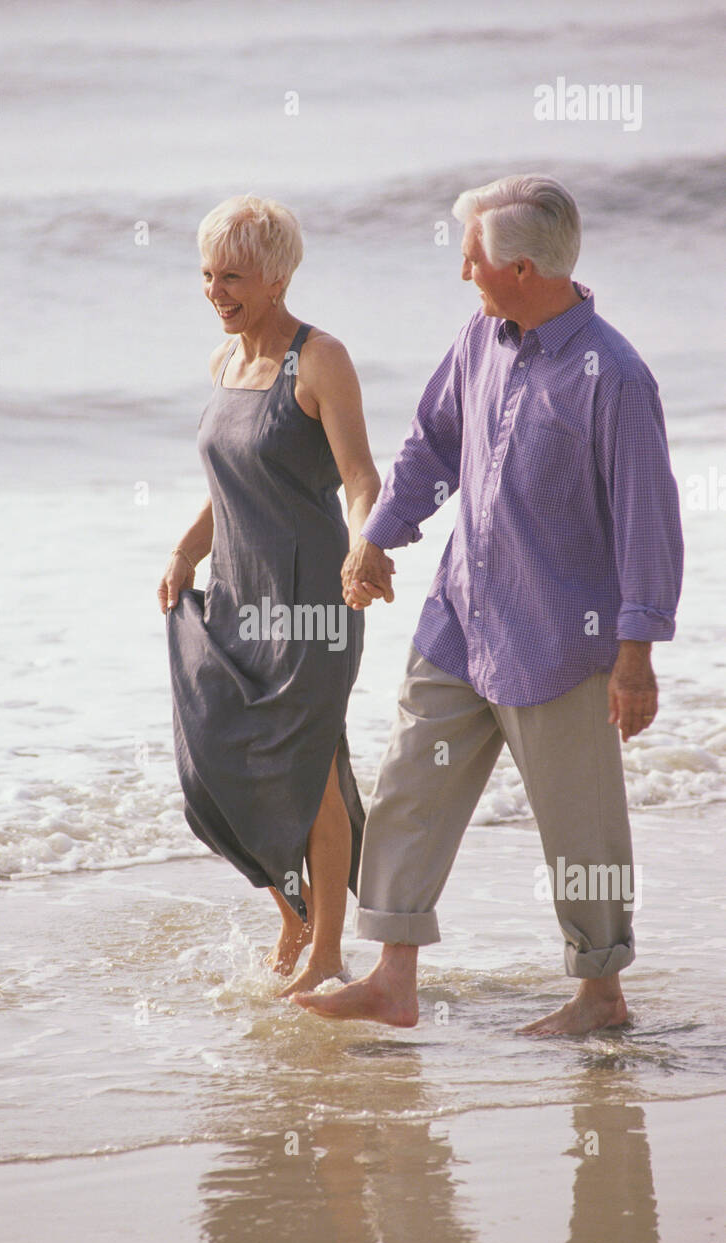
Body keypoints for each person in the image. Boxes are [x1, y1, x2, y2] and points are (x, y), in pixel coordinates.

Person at [293, 173, 684, 1034]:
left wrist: (635, 655)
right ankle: (396, 981)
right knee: (405, 789)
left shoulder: (614, 379)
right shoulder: (482, 335)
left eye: (473, 256)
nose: (463, 269)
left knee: (583, 833)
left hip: (563, 643)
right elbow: (432, 442)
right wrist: (376, 538)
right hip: (461, 619)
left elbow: (648, 524)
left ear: (523, 268)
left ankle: (601, 996)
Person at [160, 195, 383, 997]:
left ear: (279, 276)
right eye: (208, 276)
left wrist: (367, 541)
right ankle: (293, 912)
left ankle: (325, 950)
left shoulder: (319, 359)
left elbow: (361, 478)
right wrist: (187, 551)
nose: (217, 292)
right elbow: (230, 483)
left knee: (310, 771)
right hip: (235, 592)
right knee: (213, 765)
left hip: (310, 602)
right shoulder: (224, 363)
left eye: (235, 277)